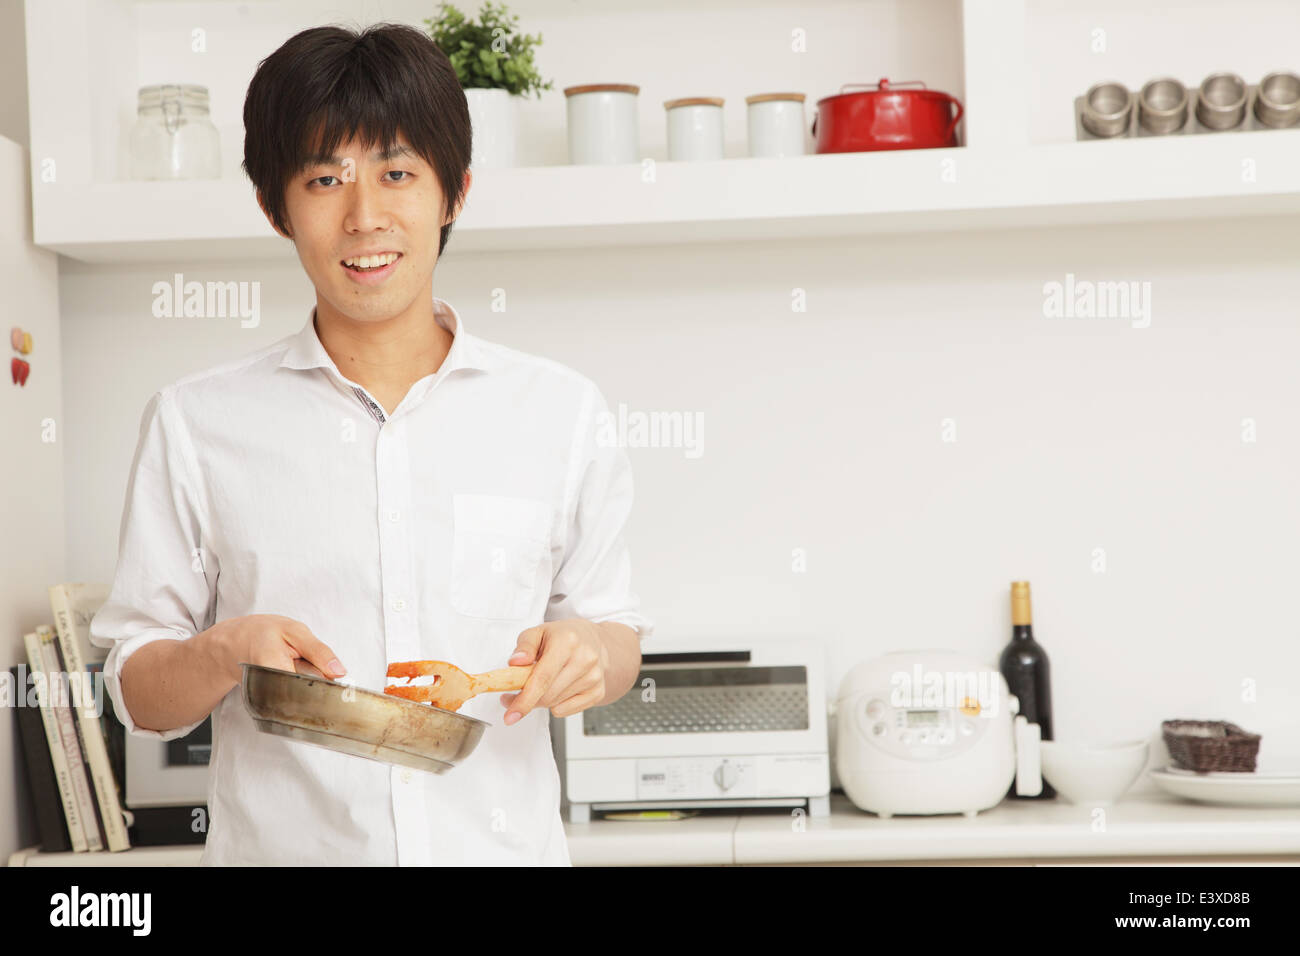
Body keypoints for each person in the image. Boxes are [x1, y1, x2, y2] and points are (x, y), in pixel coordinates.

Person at [89, 22, 652, 865]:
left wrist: (589, 654)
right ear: (275, 207)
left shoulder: (559, 412)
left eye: (397, 173)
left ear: (453, 192)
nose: (365, 217)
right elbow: (140, 692)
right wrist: (226, 650)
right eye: (325, 178)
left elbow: (615, 637)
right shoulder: (194, 422)